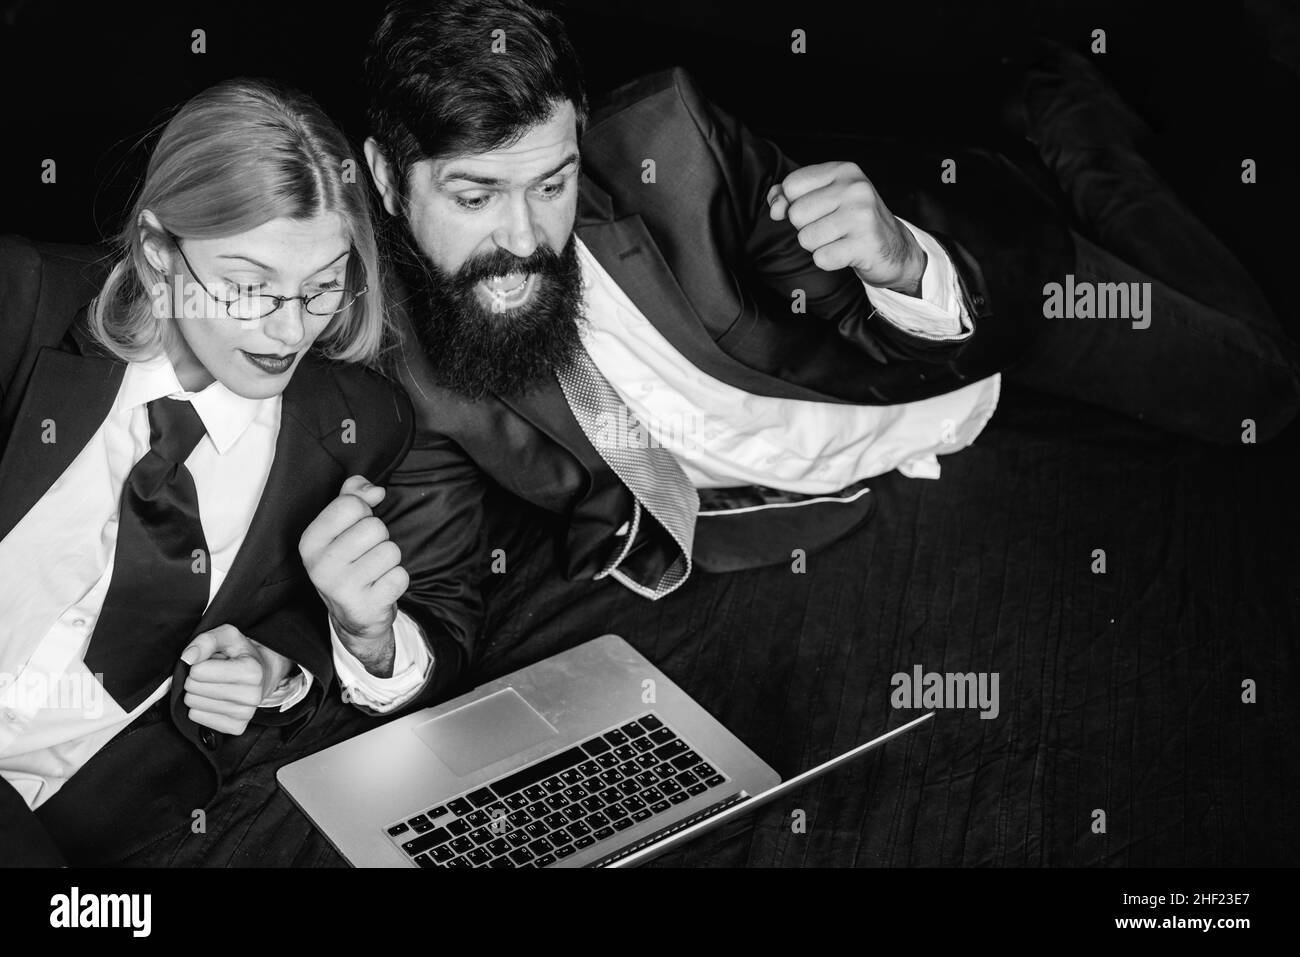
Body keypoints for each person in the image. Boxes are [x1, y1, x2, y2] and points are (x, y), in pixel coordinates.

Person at [299, 0, 1300, 715]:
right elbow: (428, 599)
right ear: (389, 178)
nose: (525, 236)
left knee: (1259, 387)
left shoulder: (673, 153)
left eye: (551, 183)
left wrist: (902, 262)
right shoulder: (405, 369)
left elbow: (846, 307)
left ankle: (1075, 131)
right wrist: (365, 632)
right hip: (886, 469)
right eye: (475, 198)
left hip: (961, 324)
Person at [0, 78, 421, 866]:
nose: (290, 328)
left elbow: (309, 614)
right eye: (249, 286)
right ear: (160, 257)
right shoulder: (17, 305)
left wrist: (275, 666)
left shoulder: (359, 428)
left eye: (322, 286)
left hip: (96, 823)